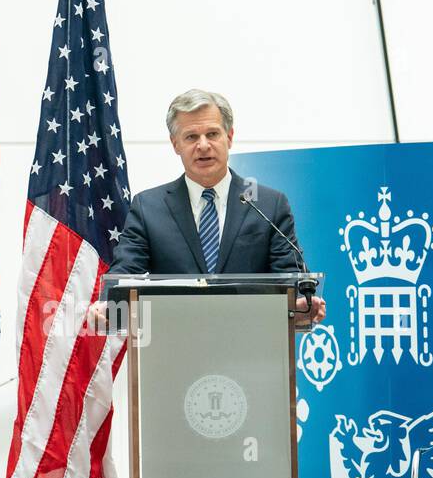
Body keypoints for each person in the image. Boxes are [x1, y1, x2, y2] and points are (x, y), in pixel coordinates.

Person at [105, 89, 325, 321]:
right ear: (175, 144)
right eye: (191, 137)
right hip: (173, 343)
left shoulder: (268, 204)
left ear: (229, 137)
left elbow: (289, 277)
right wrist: (108, 305)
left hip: (252, 342)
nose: (203, 145)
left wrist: (299, 305)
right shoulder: (148, 207)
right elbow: (126, 272)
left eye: (212, 134)